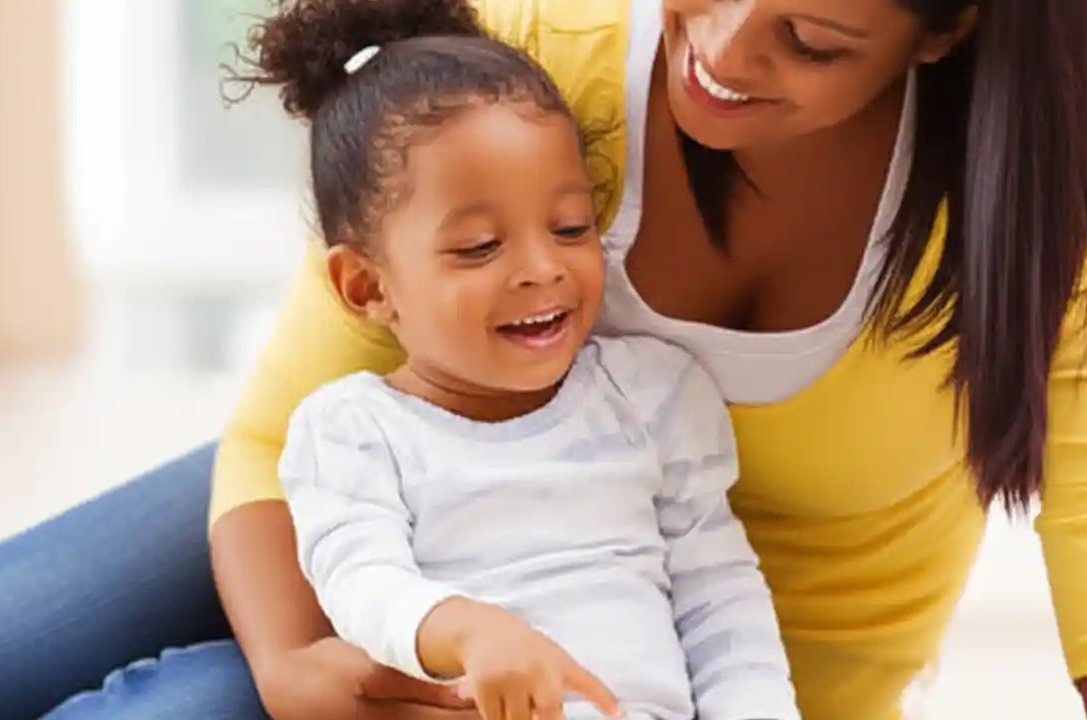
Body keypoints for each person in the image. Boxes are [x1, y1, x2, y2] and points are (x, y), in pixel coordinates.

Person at [0, 0, 1087, 718]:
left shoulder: (1072, 141)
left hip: (646, 662)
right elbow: (295, 427)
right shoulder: (545, 41)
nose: (719, 55)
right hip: (365, 497)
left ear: (940, 34)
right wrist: (293, 665)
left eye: (811, 40)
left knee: (171, 714)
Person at [259, 7, 799, 718]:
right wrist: (470, 631)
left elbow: (720, 601)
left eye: (571, 228)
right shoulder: (354, 431)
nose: (542, 268)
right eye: (480, 246)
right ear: (368, 286)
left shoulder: (650, 395)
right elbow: (361, 584)